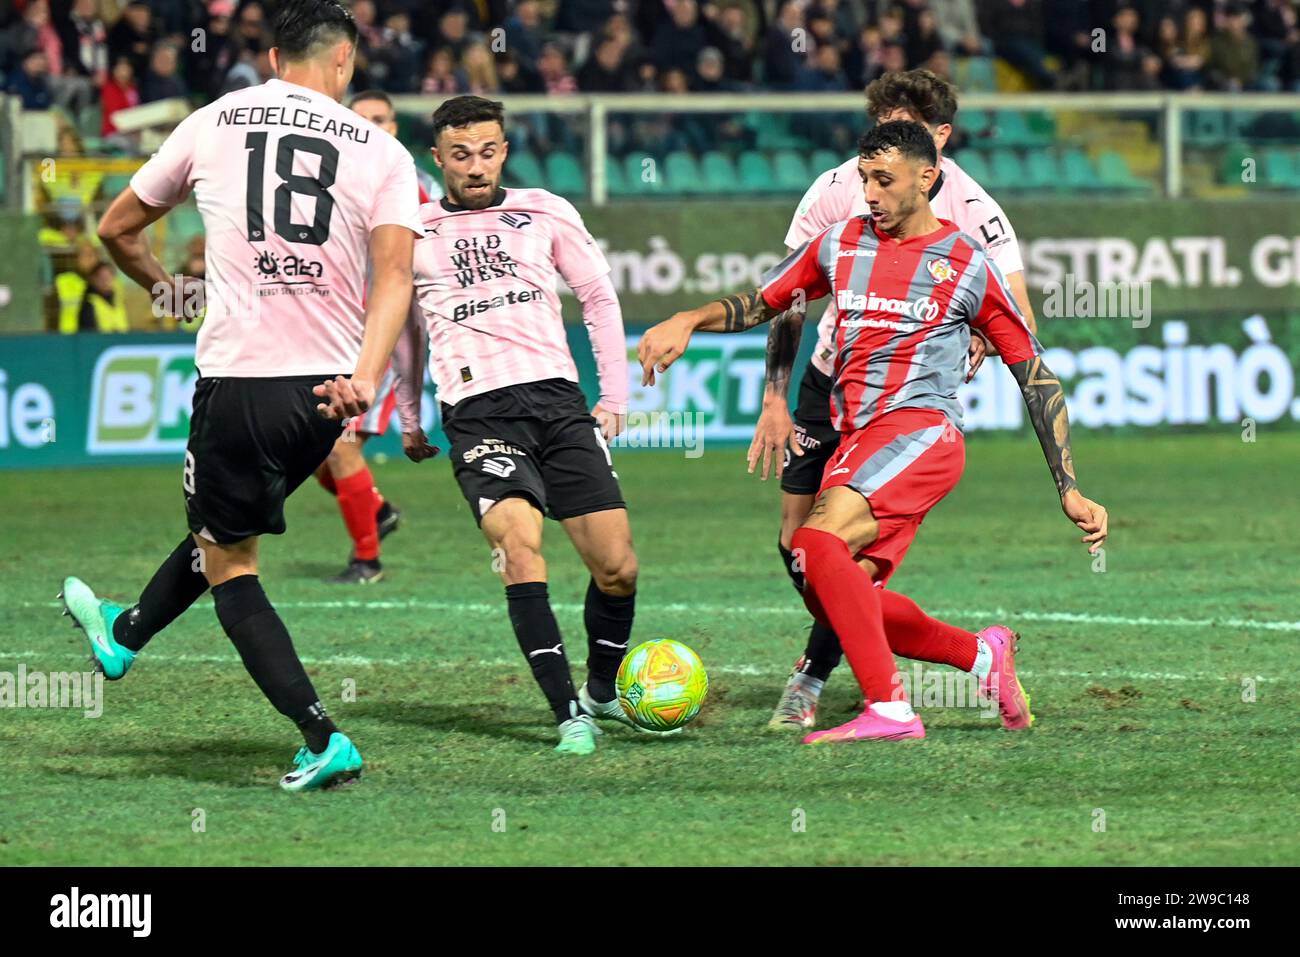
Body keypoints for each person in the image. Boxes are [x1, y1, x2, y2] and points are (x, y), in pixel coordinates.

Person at [640, 120, 1109, 743]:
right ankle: (981, 656)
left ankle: (889, 709)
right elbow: (765, 301)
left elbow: (1035, 374)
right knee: (831, 588)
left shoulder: (967, 263)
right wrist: (689, 318)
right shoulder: (840, 244)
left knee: (817, 540)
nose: (870, 193)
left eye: (883, 180)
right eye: (864, 179)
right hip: (857, 438)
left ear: (927, 178)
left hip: (922, 433)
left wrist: (1068, 487)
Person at [60, 0, 422, 791]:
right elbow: (396, 276)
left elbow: (118, 228)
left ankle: (322, 734)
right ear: (344, 65)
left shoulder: (212, 120)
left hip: (242, 380)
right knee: (220, 530)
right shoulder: (382, 150)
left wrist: (168, 290)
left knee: (232, 565)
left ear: (270, 57)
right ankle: (122, 633)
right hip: (326, 398)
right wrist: (366, 376)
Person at [751, 69, 1039, 731]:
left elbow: (1017, 311)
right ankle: (976, 654)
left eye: (900, 131)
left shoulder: (975, 210)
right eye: (878, 130)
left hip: (907, 406)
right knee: (802, 549)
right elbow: (787, 294)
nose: (881, 151)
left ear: (937, 140)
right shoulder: (834, 189)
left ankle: (819, 676)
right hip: (829, 385)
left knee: (835, 550)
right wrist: (776, 396)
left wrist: (982, 337)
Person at [392, 95, 639, 756]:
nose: (476, 166)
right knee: (519, 546)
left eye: (488, 150)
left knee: (617, 567)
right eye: (461, 154)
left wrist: (614, 394)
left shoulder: (546, 210)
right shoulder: (411, 230)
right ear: (438, 158)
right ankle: (567, 713)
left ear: (505, 150)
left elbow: (597, 296)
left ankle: (602, 692)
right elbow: (405, 331)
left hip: (559, 403)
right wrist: (410, 415)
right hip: (478, 413)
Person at [311, 88, 441, 585]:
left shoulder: (413, 185)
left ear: (393, 128)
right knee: (312, 449)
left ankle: (367, 560)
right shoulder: (322, 182)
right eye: (360, 119)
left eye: (381, 119)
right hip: (330, 332)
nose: (372, 127)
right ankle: (379, 512)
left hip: (385, 335)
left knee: (340, 446)